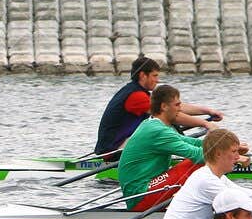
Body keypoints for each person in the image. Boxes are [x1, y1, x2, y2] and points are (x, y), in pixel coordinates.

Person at [92, 56, 222, 158]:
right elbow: (173, 114)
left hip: (122, 143)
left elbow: (175, 107)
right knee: (165, 129)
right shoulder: (136, 96)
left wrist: (207, 111)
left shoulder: (138, 92)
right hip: (113, 150)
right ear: (143, 75)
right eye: (155, 76)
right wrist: (206, 124)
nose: (157, 80)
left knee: (164, 129)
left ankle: (193, 153)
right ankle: (199, 156)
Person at [116, 86, 207, 211]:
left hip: (145, 190)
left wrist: (227, 145)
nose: (180, 109)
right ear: (164, 106)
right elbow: (197, 155)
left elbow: (191, 142)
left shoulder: (152, 123)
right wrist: (230, 155)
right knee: (196, 163)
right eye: (177, 105)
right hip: (140, 196)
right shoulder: (157, 130)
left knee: (204, 159)